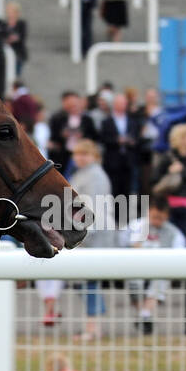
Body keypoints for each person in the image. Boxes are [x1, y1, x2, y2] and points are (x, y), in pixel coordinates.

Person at [118, 195, 186, 334]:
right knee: (134, 280)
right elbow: (121, 243)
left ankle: (144, 315)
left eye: (160, 218)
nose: (156, 221)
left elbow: (180, 253)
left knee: (160, 279)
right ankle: (145, 315)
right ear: (149, 212)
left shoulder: (173, 233)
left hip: (160, 269)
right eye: (154, 216)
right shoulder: (135, 226)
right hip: (135, 267)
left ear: (166, 216)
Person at [68, 140, 114, 341]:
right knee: (85, 281)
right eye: (77, 154)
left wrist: (85, 233)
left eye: (84, 154)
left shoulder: (94, 175)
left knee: (88, 281)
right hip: (86, 230)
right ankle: (93, 324)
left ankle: (93, 327)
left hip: (93, 233)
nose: (79, 158)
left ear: (94, 156)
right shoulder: (83, 173)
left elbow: (93, 206)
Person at [47, 91, 99, 173]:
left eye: (75, 105)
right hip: (64, 155)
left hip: (81, 154)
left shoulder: (87, 119)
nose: (73, 108)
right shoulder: (59, 118)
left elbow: (94, 136)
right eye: (70, 106)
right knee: (65, 178)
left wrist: (83, 136)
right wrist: (63, 135)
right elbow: (53, 137)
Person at [2, 1, 27, 74]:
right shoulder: (3, 24)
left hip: (17, 53)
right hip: (5, 55)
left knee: (16, 74)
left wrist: (9, 39)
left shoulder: (21, 24)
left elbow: (20, 37)